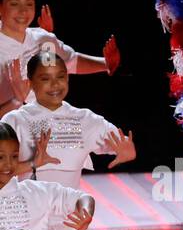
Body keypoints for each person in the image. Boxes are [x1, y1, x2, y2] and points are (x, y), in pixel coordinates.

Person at [2, 52, 136, 190]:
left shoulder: (85, 119)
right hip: (25, 209)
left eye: (60, 76)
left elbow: (124, 147)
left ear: (67, 78)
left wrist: (129, 151)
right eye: (45, 79)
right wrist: (33, 164)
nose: (55, 84)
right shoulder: (15, 121)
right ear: (31, 83)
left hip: (67, 208)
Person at [0, 0, 117, 115]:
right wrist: (17, 101)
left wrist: (106, 64)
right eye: (14, 4)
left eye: (29, 4)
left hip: (52, 125)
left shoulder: (44, 38)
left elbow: (72, 61)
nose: (23, 11)